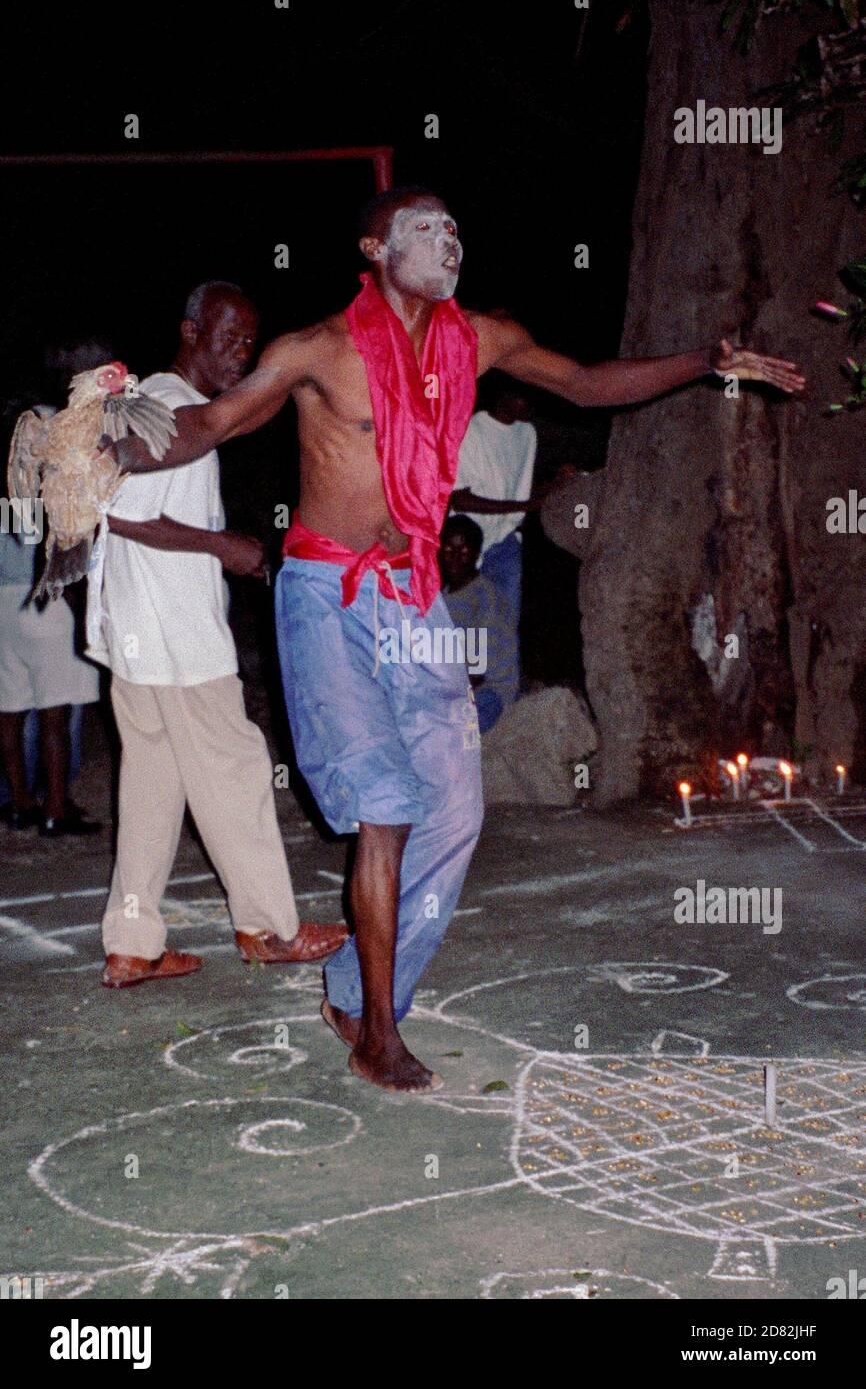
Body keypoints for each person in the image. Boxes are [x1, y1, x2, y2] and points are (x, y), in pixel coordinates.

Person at [107, 186, 804, 1088]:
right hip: (327, 596)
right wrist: (117, 442)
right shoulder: (316, 350)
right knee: (387, 805)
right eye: (428, 230)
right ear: (376, 249)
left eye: (457, 230)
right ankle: (377, 1035)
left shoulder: (478, 340)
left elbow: (589, 383)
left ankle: (355, 984)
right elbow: (214, 421)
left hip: (415, 600)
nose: (452, 241)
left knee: (455, 810)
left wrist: (707, 362)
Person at [88, 281, 347, 988]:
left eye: (248, 341)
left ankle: (131, 944)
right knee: (236, 765)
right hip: (173, 634)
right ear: (191, 330)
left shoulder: (156, 403)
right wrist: (223, 546)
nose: (240, 351)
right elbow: (121, 515)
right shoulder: (172, 408)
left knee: (151, 788)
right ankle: (270, 927)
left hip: (138, 631)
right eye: (228, 336)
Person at [0, 452, 101, 837]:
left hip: (5, 605)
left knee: (9, 712)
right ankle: (55, 809)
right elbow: (69, 555)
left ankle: (20, 803)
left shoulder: (10, 494)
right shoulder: (58, 494)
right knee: (54, 718)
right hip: (47, 600)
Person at [451, 378, 538, 622]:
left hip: (506, 539)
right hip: (467, 542)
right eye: (524, 397)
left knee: (504, 625)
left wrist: (558, 484)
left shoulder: (527, 433)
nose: (530, 405)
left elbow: (519, 490)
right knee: (463, 624)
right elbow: (461, 501)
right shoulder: (469, 430)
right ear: (504, 395)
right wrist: (522, 507)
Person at [439, 514, 518, 733]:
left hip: (489, 693)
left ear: (476, 555)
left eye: (464, 553)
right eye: (448, 550)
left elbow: (475, 672)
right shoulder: (442, 598)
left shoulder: (484, 598)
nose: (455, 558)